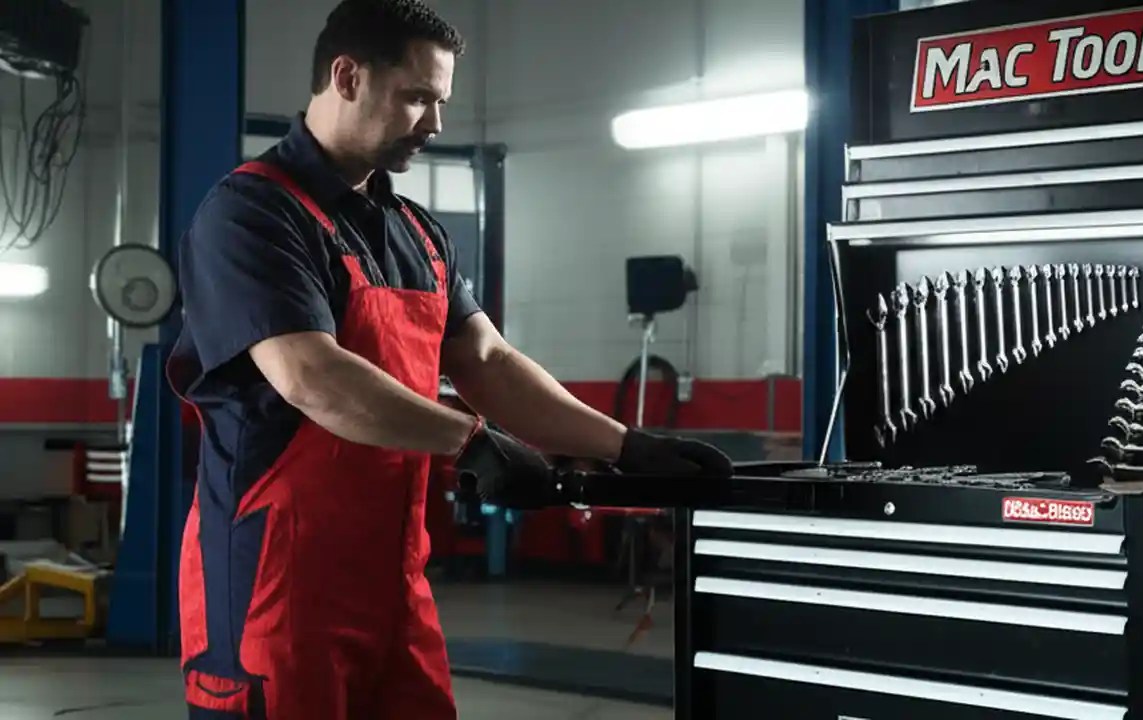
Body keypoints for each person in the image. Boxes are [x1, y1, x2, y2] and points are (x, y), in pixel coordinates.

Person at [165, 1, 733, 717]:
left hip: (395, 582)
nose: (435, 124)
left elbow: (488, 361)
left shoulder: (418, 234)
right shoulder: (251, 214)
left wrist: (625, 446)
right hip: (273, 584)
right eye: (417, 97)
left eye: (441, 101)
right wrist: (472, 441)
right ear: (346, 76)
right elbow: (313, 377)